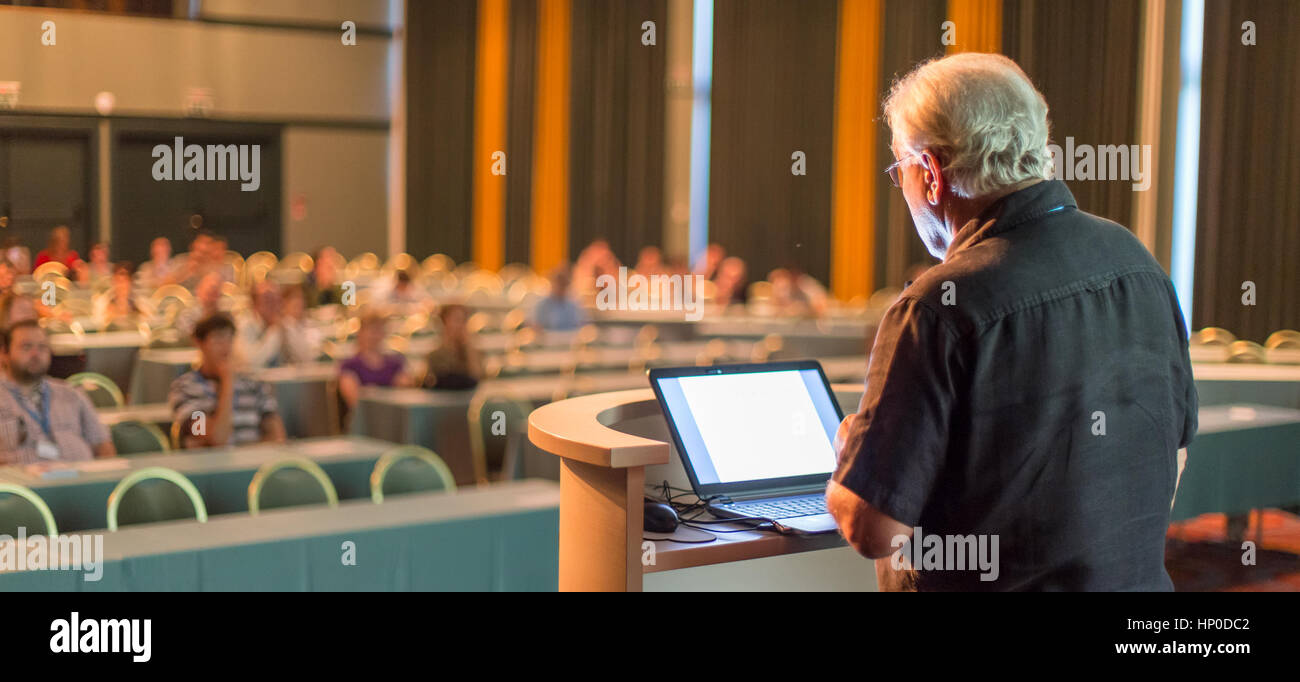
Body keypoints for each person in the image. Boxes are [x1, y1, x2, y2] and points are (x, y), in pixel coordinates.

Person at [826, 53, 1197, 591]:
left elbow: (874, 529)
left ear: (930, 174)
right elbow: (1175, 453)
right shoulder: (1137, 262)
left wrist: (849, 456)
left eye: (898, 171)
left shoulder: (936, 306)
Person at [0, 319, 115, 464]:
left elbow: (102, 445)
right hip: (21, 484)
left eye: (42, 347)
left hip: (80, 479)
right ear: (4, 353)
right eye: (26, 347)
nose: (35, 354)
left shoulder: (71, 394)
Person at [169, 313, 285, 448]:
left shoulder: (254, 385)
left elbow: (277, 436)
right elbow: (216, 439)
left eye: (230, 339)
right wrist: (228, 382)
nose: (226, 347)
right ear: (199, 343)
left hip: (253, 465)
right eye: (218, 339)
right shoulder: (185, 389)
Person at [338, 312, 411, 423]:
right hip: (365, 421)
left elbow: (405, 392)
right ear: (360, 333)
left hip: (392, 419)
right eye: (370, 330)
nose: (374, 335)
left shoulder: (396, 363)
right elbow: (354, 401)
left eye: (378, 330)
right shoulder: (349, 365)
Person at [234, 281, 316, 368]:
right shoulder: (244, 326)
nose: (274, 305)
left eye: (277, 299)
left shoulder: (285, 324)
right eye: (268, 300)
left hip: (284, 380)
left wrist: (289, 327)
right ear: (254, 304)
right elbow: (252, 363)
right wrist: (274, 331)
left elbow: (306, 359)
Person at [423, 304, 482, 390]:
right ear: (445, 323)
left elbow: (477, 376)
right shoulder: (433, 355)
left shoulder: (474, 353)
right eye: (456, 320)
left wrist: (467, 347)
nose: (460, 325)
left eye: (463, 320)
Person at [530, 265, 585, 332]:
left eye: (563, 285)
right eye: (558, 284)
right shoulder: (542, 305)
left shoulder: (572, 306)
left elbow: (579, 325)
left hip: (568, 340)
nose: (560, 288)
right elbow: (535, 326)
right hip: (547, 340)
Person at [175, 271, 224, 339]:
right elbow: (190, 339)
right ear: (199, 291)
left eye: (216, 293)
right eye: (209, 293)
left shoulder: (225, 317)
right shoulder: (187, 316)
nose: (213, 298)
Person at [92, 263, 139, 328]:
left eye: (125, 281)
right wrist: (109, 317)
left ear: (130, 283)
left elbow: (148, 322)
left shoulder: (139, 302)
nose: (122, 285)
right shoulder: (102, 302)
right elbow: (97, 323)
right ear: (113, 281)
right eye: (118, 281)